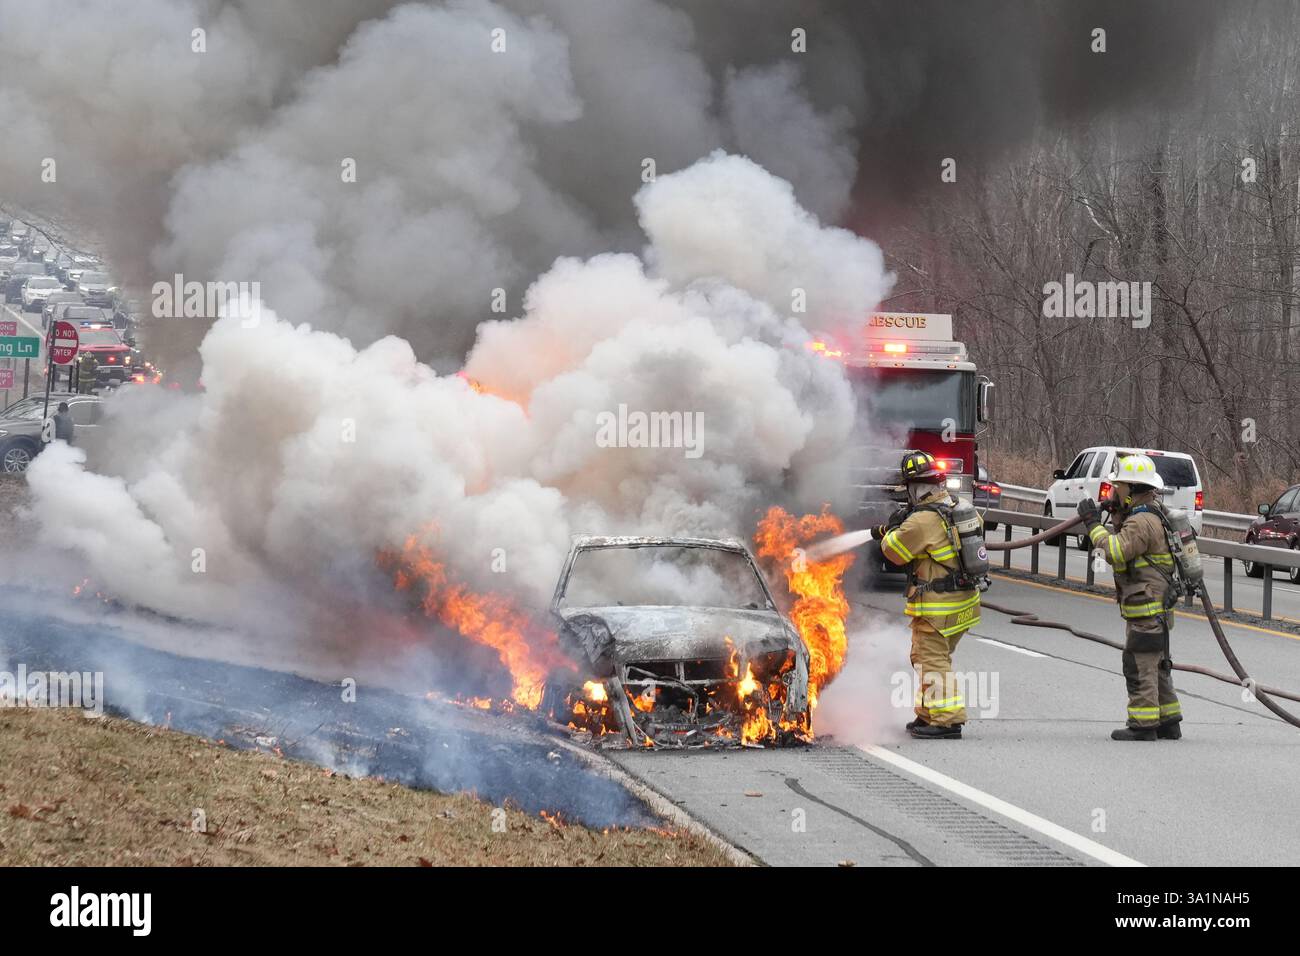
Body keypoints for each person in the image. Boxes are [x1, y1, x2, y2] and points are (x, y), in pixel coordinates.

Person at [867, 450, 982, 739]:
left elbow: (893, 552)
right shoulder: (958, 505)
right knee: (926, 656)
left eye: (908, 489)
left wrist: (894, 529)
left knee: (933, 660)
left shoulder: (922, 521)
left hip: (938, 607)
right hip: (965, 602)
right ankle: (927, 713)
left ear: (915, 487)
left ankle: (946, 720)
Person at [1076, 454, 1182, 741]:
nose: (1114, 491)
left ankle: (1142, 725)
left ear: (1132, 488)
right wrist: (1119, 514)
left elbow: (1114, 552)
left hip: (1146, 607)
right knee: (1157, 663)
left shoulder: (1142, 521)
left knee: (1139, 664)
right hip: (1154, 606)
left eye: (1118, 487)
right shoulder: (1150, 514)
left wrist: (1092, 524)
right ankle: (1169, 720)